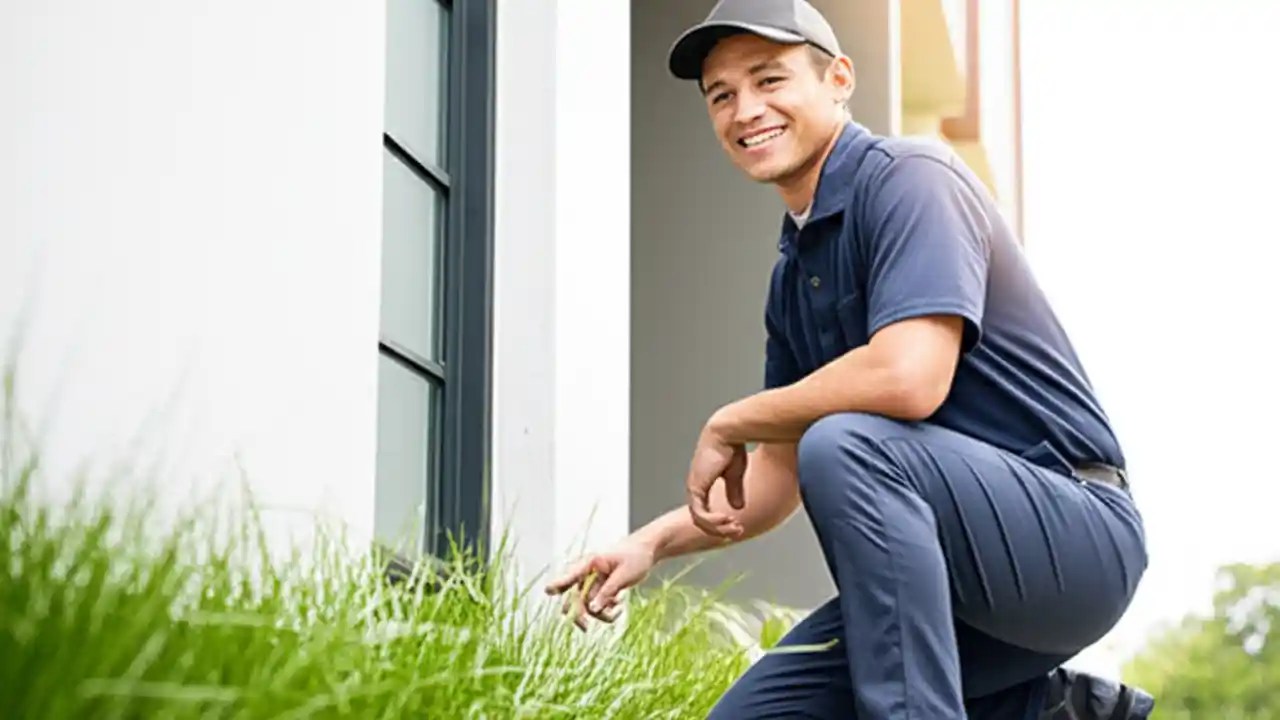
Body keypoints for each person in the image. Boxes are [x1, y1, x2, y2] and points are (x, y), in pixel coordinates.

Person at [546, 1, 1153, 717]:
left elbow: (908, 377)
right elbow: (771, 486)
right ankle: (1047, 710)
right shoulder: (794, 271)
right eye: (722, 95)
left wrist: (730, 419)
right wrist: (648, 544)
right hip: (951, 585)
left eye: (770, 80)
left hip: (1070, 539)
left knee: (846, 442)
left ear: (838, 78)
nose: (746, 110)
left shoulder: (912, 178)